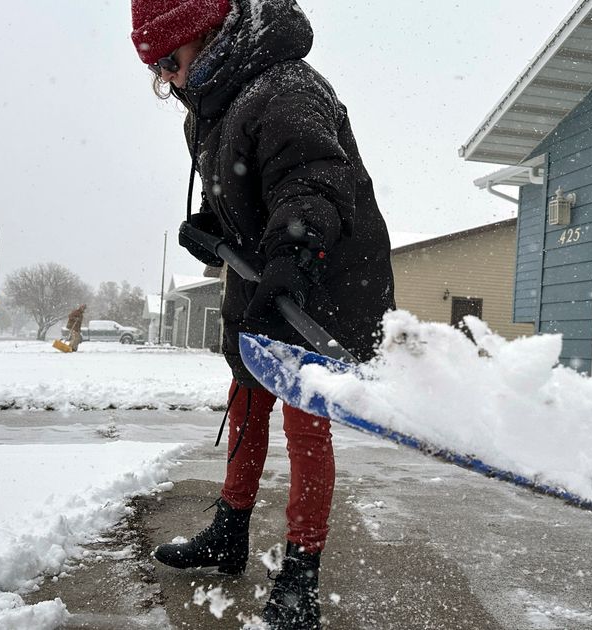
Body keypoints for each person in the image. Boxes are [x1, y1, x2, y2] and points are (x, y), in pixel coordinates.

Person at [130, 0, 395, 627]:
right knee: (247, 396)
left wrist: (296, 251)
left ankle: (301, 574)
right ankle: (230, 530)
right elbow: (245, 191)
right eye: (155, 69)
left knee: (305, 423)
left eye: (168, 60)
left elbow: (311, 180)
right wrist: (210, 227)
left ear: (204, 33)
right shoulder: (210, 110)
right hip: (260, 275)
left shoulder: (284, 88)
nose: (166, 78)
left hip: (321, 279)